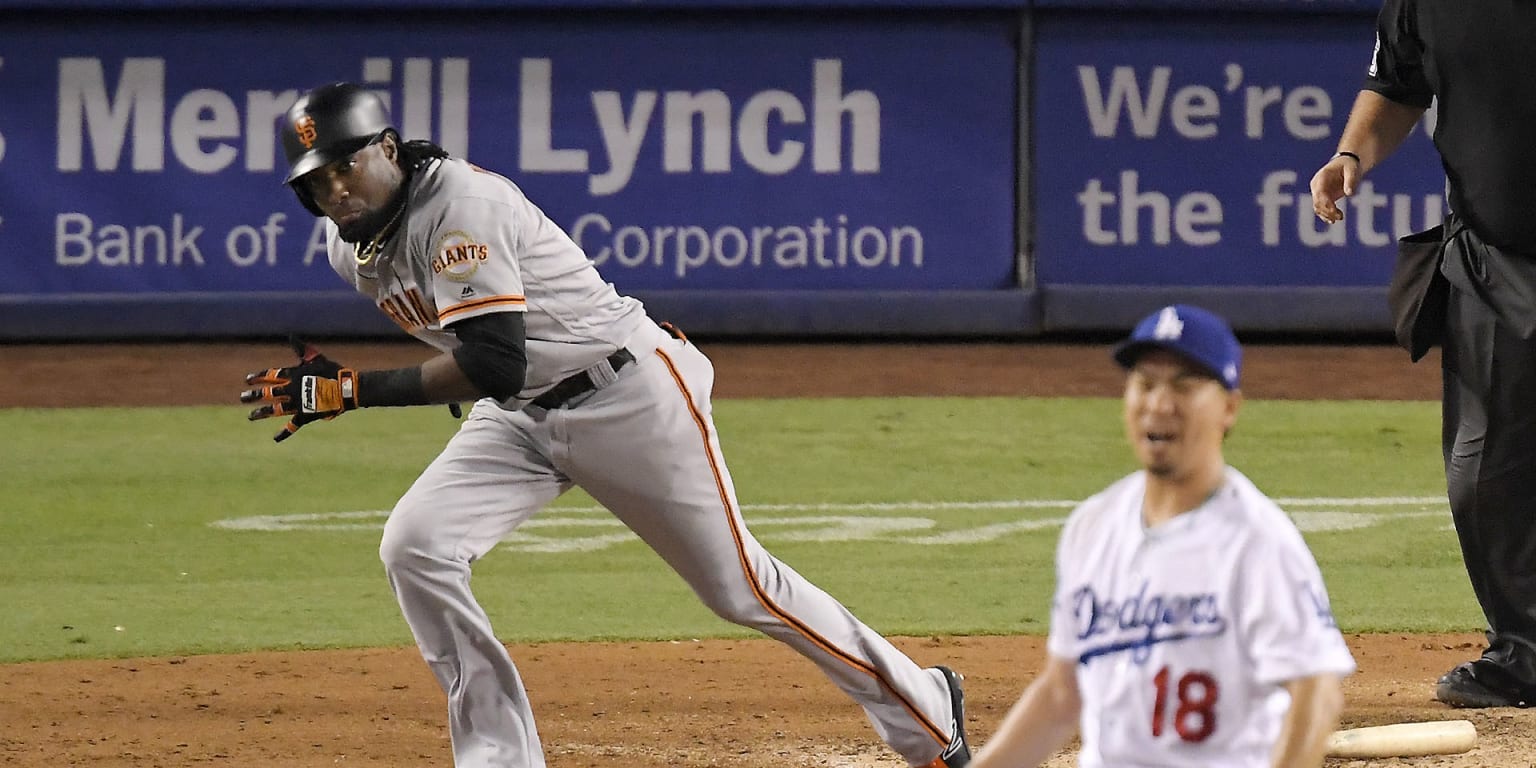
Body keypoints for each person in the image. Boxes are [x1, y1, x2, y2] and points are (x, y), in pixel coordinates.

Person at [239, 81, 971, 768]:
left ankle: (928, 708)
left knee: (740, 587)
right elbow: (495, 373)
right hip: (522, 416)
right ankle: (500, 755)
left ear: (388, 150)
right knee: (416, 545)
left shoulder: (460, 205)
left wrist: (349, 391)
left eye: (347, 164)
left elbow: (493, 361)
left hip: (627, 396)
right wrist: (351, 389)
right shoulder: (348, 247)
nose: (334, 188)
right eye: (314, 179)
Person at [968, 305, 1355, 768]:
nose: (1159, 404)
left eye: (1185, 385)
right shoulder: (1093, 526)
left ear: (1229, 408)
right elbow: (1059, 696)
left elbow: (1317, 691)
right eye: (1145, 384)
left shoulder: (1257, 542)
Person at [1309, 1, 1536, 709]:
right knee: (1484, 470)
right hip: (1495, 256)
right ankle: (1525, 655)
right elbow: (1399, 82)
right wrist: (1352, 154)